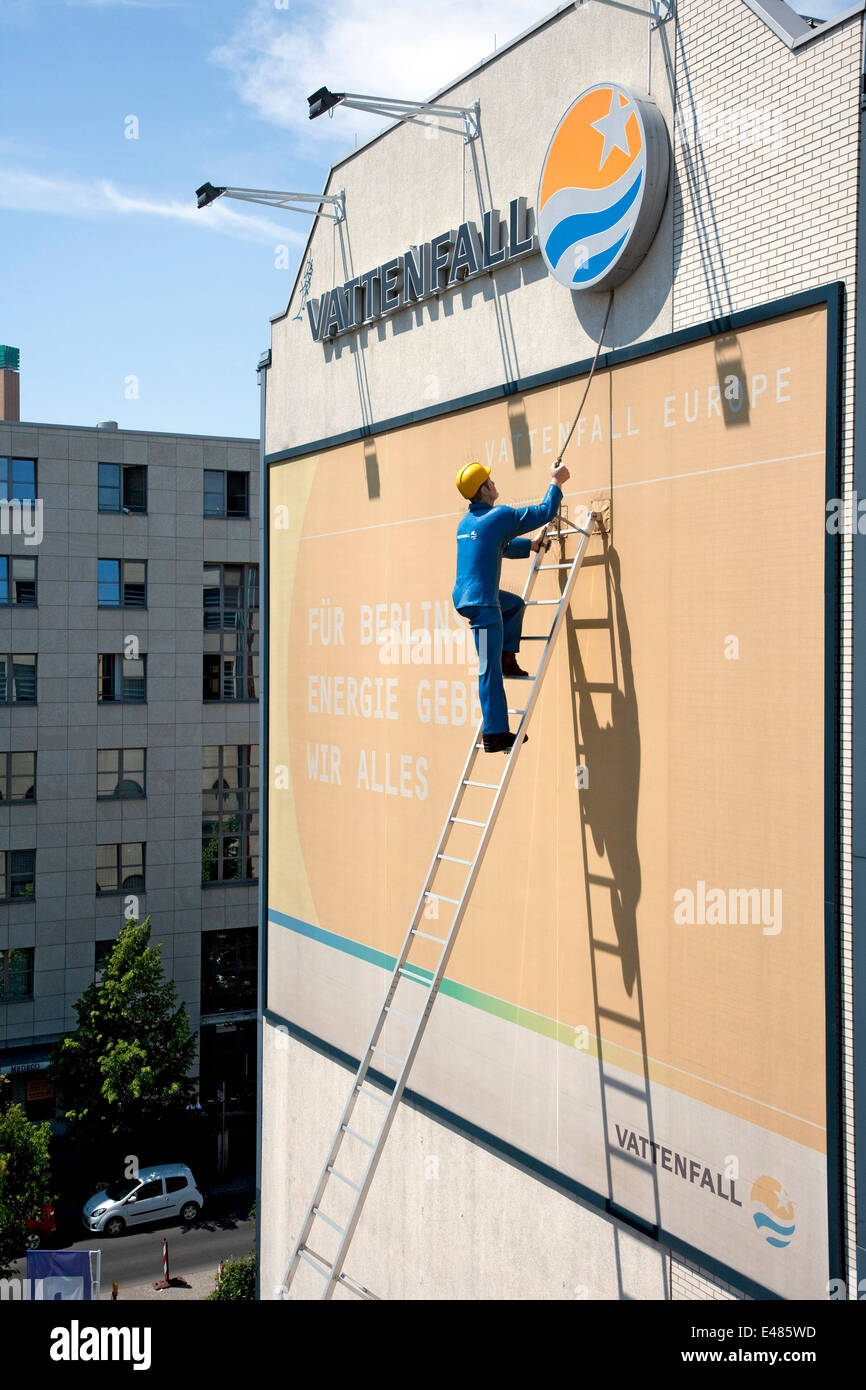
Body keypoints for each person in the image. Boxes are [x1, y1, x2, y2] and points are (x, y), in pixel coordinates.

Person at [452, 459, 570, 752]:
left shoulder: (467, 523)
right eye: (489, 481)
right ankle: (495, 734)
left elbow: (497, 546)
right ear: (484, 489)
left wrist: (530, 546)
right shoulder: (499, 516)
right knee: (487, 670)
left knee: (515, 604)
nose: (494, 483)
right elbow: (544, 512)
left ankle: (508, 658)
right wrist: (556, 481)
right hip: (485, 603)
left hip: (471, 598)